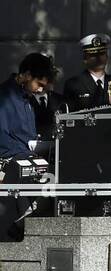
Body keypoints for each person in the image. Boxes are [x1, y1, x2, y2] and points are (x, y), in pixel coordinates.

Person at [0, 53, 56, 242]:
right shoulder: (5, 96)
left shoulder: (29, 99)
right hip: (13, 161)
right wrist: (28, 154)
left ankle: (24, 226)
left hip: (28, 157)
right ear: (25, 75)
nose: (41, 89)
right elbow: (2, 137)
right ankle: (19, 228)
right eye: (39, 83)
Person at [63, 34, 111, 110]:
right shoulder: (74, 85)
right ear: (85, 59)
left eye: (102, 53)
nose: (99, 58)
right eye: (94, 54)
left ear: (107, 57)